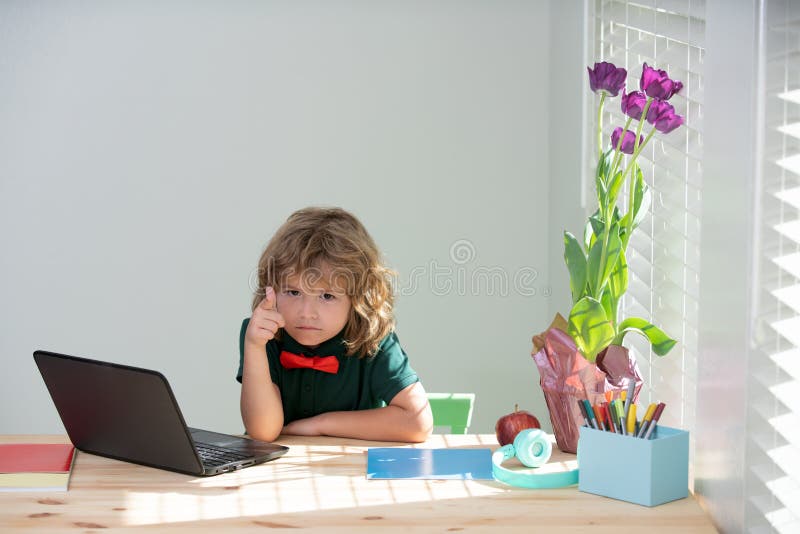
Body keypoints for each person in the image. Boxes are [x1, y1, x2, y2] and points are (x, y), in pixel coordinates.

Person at [236, 207, 433, 443]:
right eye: (293, 292)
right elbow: (263, 432)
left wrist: (321, 424)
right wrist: (255, 346)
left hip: (350, 472)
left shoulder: (374, 339)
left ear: (358, 298)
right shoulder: (261, 334)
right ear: (271, 289)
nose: (307, 313)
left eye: (327, 296)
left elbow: (418, 423)